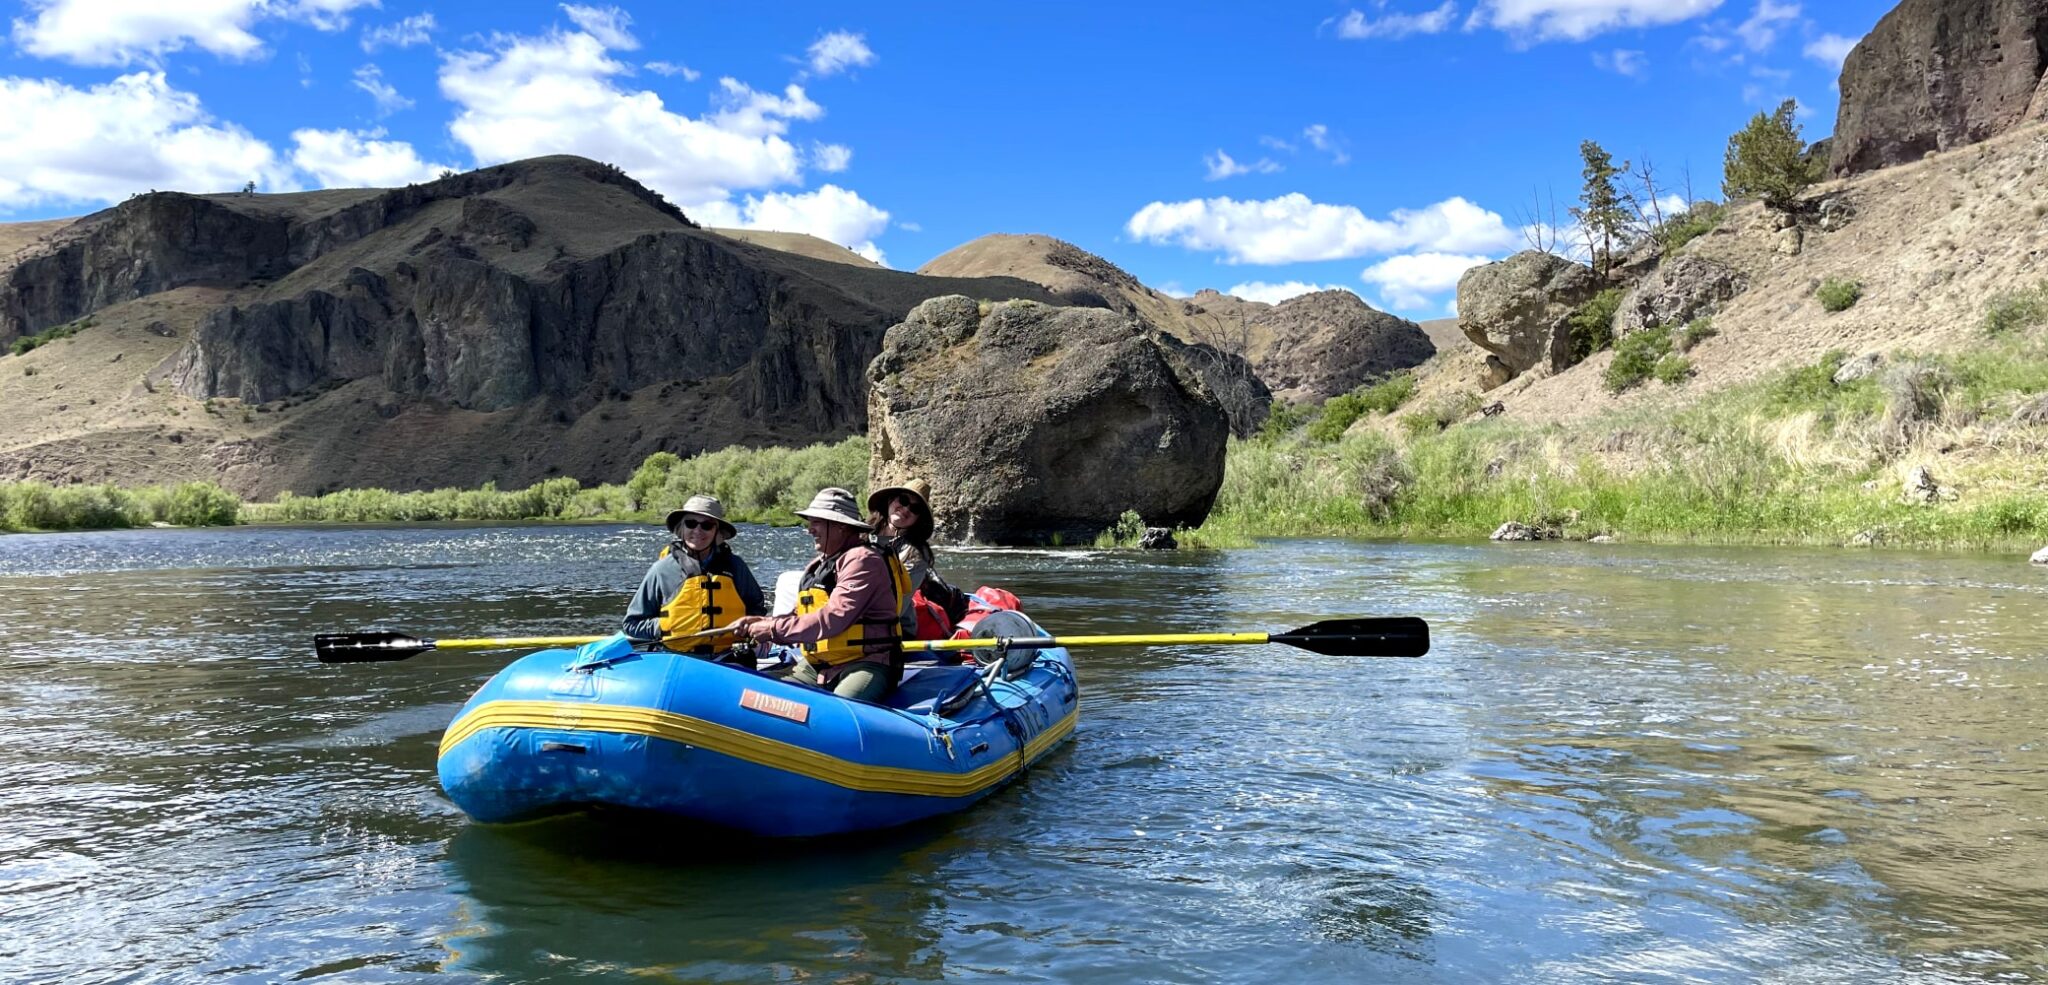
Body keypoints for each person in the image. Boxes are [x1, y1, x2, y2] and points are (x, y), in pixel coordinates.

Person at [735, 487, 911, 701]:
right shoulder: (820, 565)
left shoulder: (863, 560)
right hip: (820, 664)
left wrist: (772, 629)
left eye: (816, 522)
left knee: (841, 711)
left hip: (866, 662)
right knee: (757, 694)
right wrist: (764, 621)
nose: (810, 530)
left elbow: (833, 618)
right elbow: (801, 616)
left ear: (840, 526)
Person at [622, 494, 765, 656]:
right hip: (678, 659)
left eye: (707, 525)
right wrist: (665, 625)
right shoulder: (661, 570)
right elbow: (632, 624)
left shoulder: (736, 567)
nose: (697, 530)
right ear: (681, 529)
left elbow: (757, 609)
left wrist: (749, 625)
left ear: (717, 532)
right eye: (691, 523)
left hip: (728, 657)